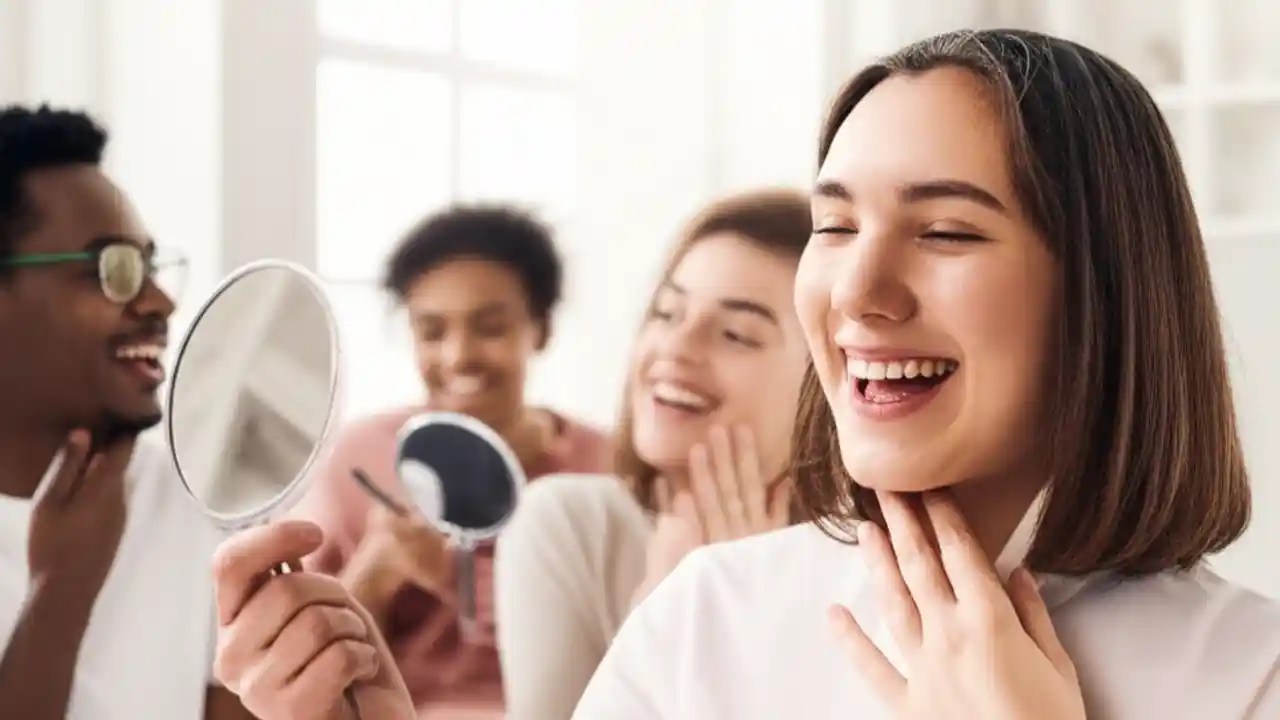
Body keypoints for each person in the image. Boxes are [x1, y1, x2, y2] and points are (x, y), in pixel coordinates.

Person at [573, 29, 1280, 718]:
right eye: (836, 226)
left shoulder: (1255, 675)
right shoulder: (702, 620)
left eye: (946, 232)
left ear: (1108, 291)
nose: (857, 291)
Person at [493, 189, 812, 719]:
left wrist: (743, 612)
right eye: (666, 314)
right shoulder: (570, 525)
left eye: (735, 334)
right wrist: (663, 611)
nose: (676, 347)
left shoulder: (859, 562)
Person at [289, 205, 611, 717]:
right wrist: (376, 570)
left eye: (490, 328)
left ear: (542, 329)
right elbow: (307, 669)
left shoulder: (604, 469)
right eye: (432, 332)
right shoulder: (360, 459)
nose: (459, 356)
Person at [0, 105, 254, 719]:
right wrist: (62, 587)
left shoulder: (203, 503)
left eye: (151, 266)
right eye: (113, 269)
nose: (161, 301)